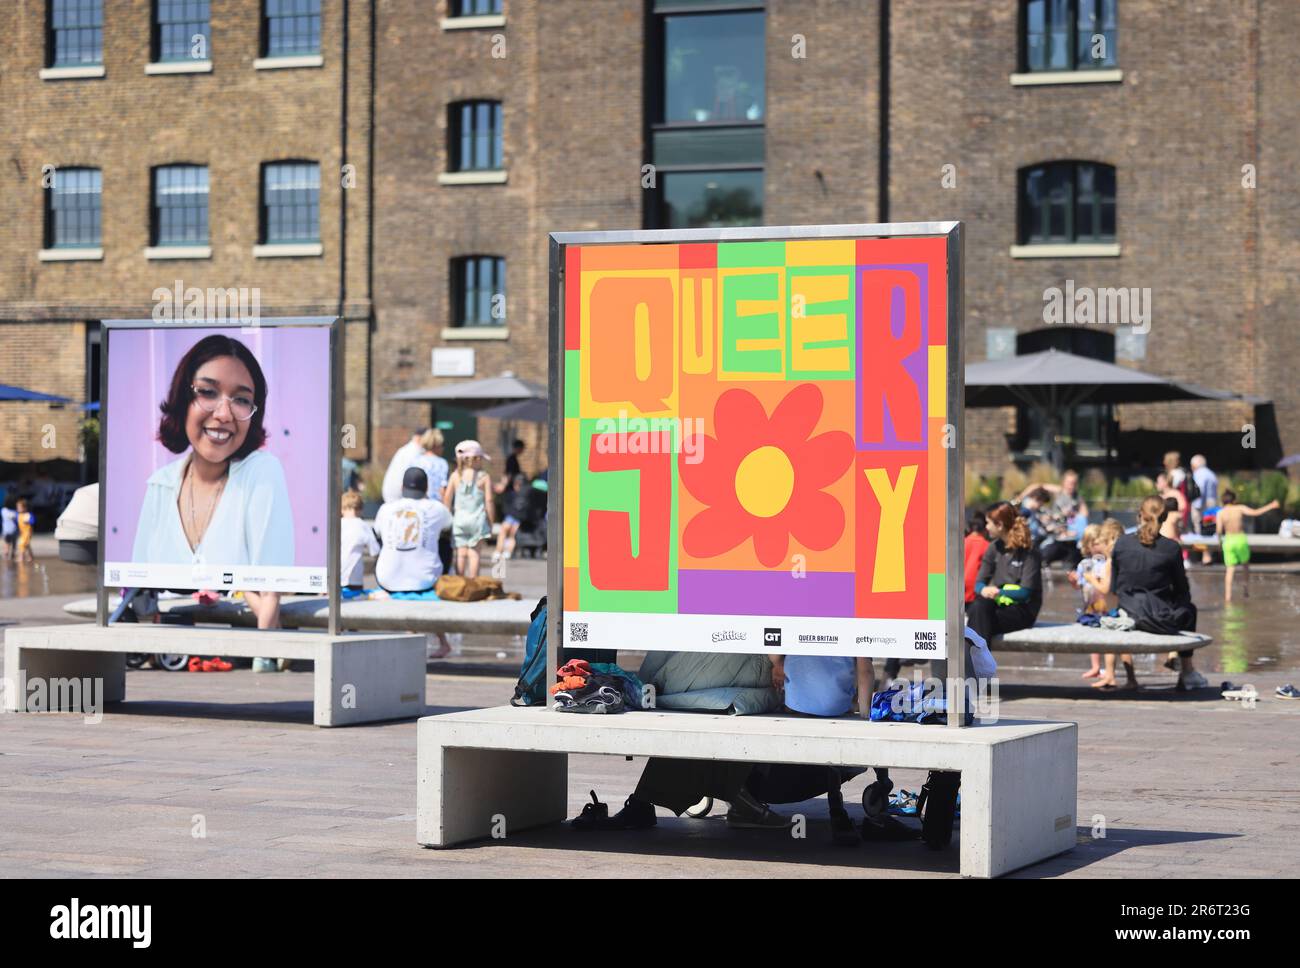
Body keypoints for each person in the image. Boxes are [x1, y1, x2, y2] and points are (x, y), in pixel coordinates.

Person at [130, 334, 290, 645]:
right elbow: (139, 582)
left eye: (241, 399)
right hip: (162, 646)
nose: (224, 414)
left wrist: (265, 651)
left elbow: (271, 585)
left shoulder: (262, 473)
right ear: (182, 398)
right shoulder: (160, 484)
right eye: (208, 392)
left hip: (237, 646)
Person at [1103, 495, 1206, 689]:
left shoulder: (1122, 544)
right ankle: (1187, 671)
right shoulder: (1171, 548)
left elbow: (1115, 588)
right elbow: (1182, 589)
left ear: (1139, 515)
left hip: (1129, 613)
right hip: (1160, 617)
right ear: (1165, 517)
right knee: (1189, 609)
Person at [375, 466, 452, 657]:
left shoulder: (386, 508)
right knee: (442, 543)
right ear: (426, 488)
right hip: (425, 580)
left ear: (402, 487)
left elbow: (377, 533)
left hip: (388, 579)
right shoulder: (437, 508)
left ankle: (412, 638)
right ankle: (441, 641)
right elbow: (449, 526)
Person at [966, 502, 1042, 647]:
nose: (986, 527)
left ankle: (974, 667)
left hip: (1022, 610)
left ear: (999, 525)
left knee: (976, 620)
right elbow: (979, 583)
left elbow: (1025, 593)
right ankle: (979, 665)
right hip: (997, 606)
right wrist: (983, 589)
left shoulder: (1030, 552)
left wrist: (998, 592)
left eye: (988, 523)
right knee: (979, 606)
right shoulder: (993, 548)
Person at [1081, 519, 1137, 690]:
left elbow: (1105, 588)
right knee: (1114, 647)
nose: (1101, 546)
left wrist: (1091, 579)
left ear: (1111, 540)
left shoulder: (1110, 563)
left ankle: (1124, 678)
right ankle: (1113, 676)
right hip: (1115, 608)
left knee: (1117, 646)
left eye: (1103, 542)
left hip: (1113, 611)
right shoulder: (1121, 560)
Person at [1216, 490, 1279, 602]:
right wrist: (1271, 505)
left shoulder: (1220, 513)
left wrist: (1220, 543)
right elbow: (1255, 512)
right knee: (1245, 565)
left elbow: (1219, 531)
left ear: (1223, 501)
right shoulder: (1239, 508)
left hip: (1228, 541)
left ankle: (1228, 597)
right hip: (1240, 539)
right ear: (1234, 500)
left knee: (1230, 570)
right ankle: (1245, 590)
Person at [443, 439, 494, 578]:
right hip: (477, 520)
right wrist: (491, 520)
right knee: (474, 553)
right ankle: (473, 583)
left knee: (460, 553)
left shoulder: (455, 476)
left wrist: (447, 516)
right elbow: (489, 500)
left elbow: (447, 498)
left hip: (459, 519)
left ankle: (460, 581)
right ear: (477, 459)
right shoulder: (484, 477)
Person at [340, 490, 379, 598]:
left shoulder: (336, 524)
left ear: (342, 509)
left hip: (335, 578)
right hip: (355, 578)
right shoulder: (363, 526)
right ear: (361, 510)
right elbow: (375, 550)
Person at [491, 473, 532, 575]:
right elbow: (505, 504)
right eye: (516, 484)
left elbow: (526, 512)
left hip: (519, 520)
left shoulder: (527, 494)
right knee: (504, 528)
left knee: (514, 532)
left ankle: (507, 551)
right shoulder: (510, 493)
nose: (518, 486)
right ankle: (498, 550)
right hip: (510, 517)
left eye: (520, 484)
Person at [381, 427, 428, 504]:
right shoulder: (416, 452)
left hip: (389, 494)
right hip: (401, 495)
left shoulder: (404, 450)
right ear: (420, 438)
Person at [1189, 455, 1219, 562]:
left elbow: (1199, 491)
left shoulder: (1199, 474)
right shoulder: (1211, 474)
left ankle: (1204, 556)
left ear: (1194, 465)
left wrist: (1197, 507)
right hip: (1212, 504)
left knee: (1200, 530)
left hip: (1202, 505)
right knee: (1210, 529)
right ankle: (1208, 555)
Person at [412, 428, 450, 502]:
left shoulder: (415, 461)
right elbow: (443, 490)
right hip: (436, 504)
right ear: (436, 445)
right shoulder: (442, 463)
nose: (443, 448)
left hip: (417, 502)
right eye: (442, 445)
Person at [15, 498, 36, 563]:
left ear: (25, 508)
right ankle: (31, 557)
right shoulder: (18, 515)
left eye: (20, 507)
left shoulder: (28, 515)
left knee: (22, 544)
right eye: (17, 507)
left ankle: (21, 557)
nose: (18, 509)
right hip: (22, 532)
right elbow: (17, 522)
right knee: (27, 545)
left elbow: (33, 521)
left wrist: (28, 521)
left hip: (28, 532)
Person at [2, 497, 18, 561]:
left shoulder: (3, 510)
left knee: (7, 543)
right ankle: (12, 555)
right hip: (14, 530)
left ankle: (6, 554)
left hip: (6, 530)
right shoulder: (15, 512)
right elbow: (16, 518)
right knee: (14, 543)